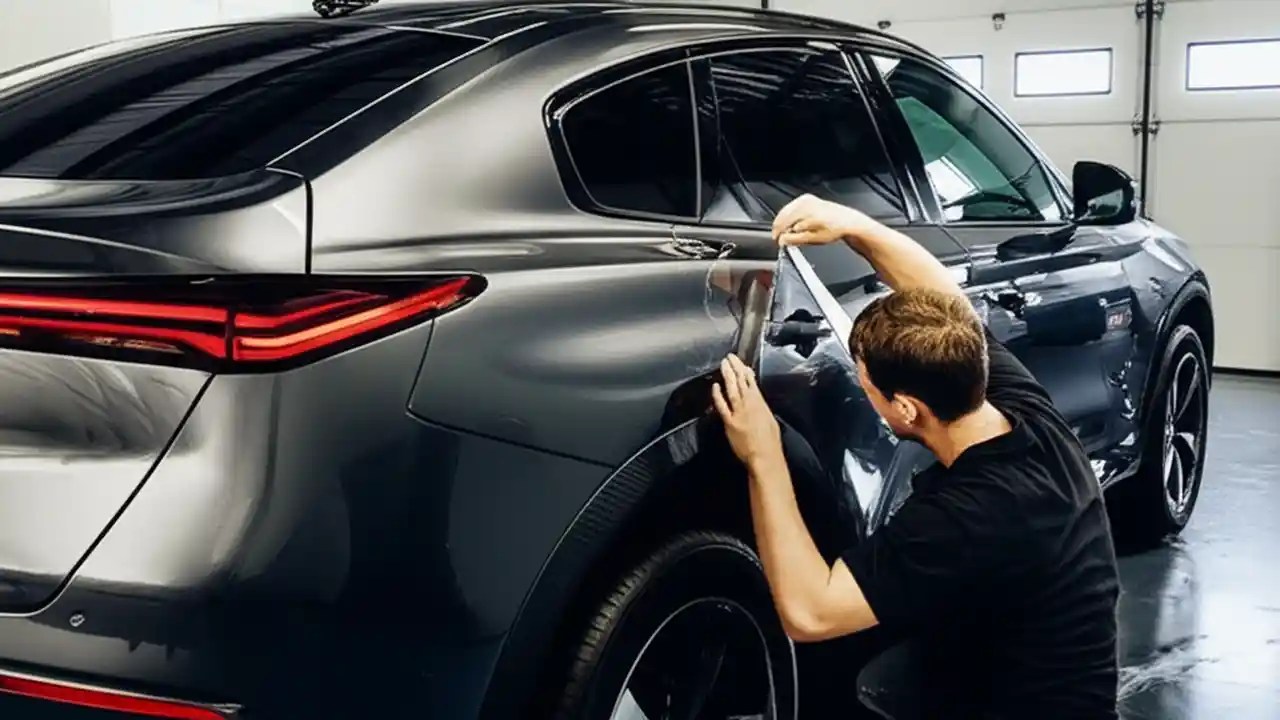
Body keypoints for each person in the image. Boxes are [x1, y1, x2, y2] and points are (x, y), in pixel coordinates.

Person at [711, 194, 1120, 719]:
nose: (862, 390)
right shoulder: (1023, 412)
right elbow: (940, 294)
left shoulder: (969, 516)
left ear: (906, 408)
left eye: (866, 383)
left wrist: (762, 454)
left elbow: (810, 613)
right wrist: (856, 226)